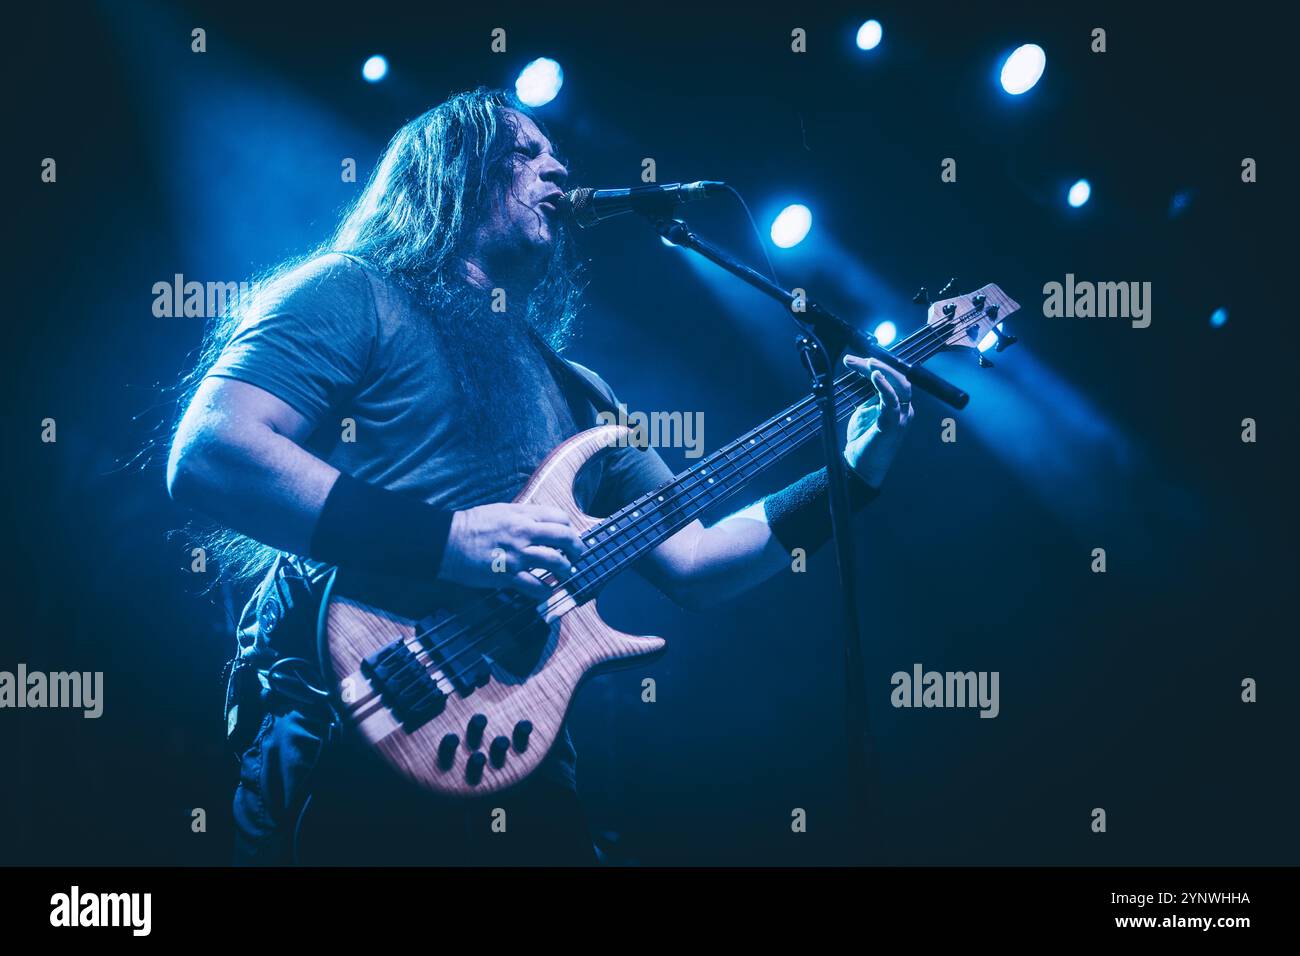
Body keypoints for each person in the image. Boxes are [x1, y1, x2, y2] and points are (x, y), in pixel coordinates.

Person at [166, 87, 914, 865]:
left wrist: (853, 471)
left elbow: (698, 563)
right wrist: (454, 541)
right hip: (354, 712)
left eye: (557, 154)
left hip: (512, 749)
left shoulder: (580, 391)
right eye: (526, 152)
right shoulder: (350, 292)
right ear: (448, 173)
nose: (557, 168)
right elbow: (214, 452)